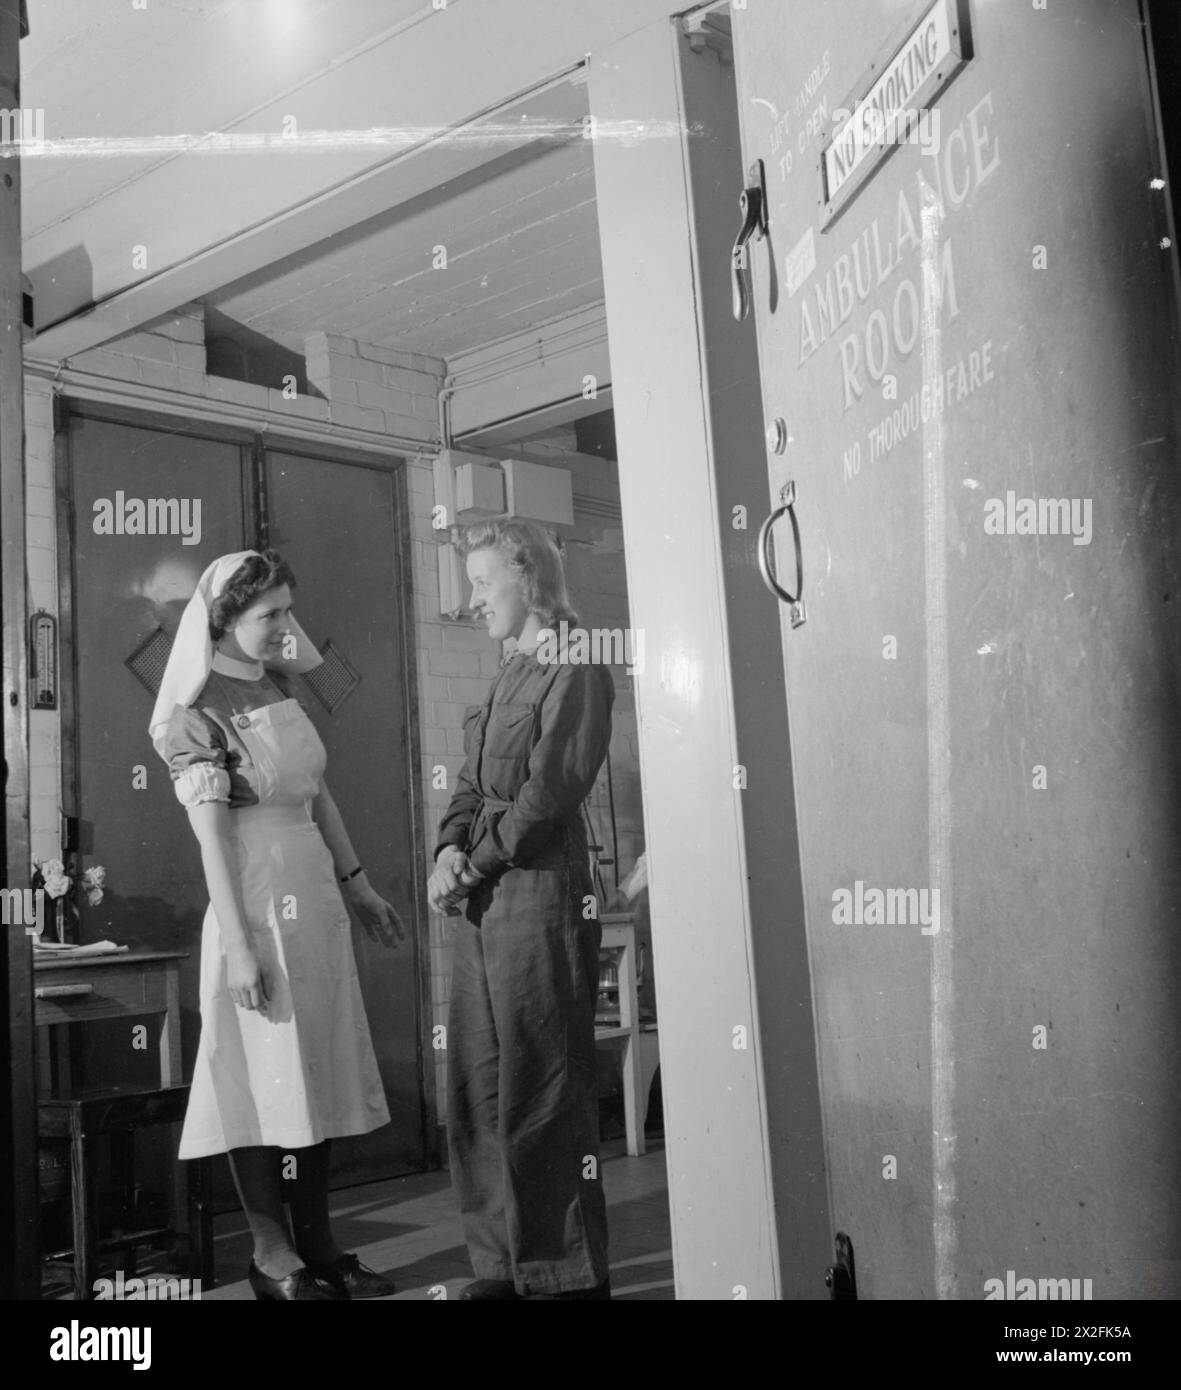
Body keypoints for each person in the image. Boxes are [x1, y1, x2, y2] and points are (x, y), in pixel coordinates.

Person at [150, 549, 404, 1301]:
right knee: (262, 1077)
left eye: (288, 611)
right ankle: (269, 1254)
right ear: (225, 619)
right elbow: (212, 837)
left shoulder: (281, 685)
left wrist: (357, 884)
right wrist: (238, 947)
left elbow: (318, 796)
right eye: (271, 615)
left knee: (314, 1069)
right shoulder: (194, 711)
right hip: (252, 902)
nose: (286, 627)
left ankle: (320, 1244)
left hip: (313, 898)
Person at [428, 518, 615, 1300]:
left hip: (537, 890)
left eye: (482, 584)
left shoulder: (575, 664)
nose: (472, 602)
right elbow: (472, 782)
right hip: (482, 895)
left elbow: (545, 794)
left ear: (529, 581)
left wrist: (472, 861)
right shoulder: (509, 671)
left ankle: (562, 1277)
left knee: (542, 1089)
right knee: (477, 1086)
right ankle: (499, 1267)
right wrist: (446, 851)